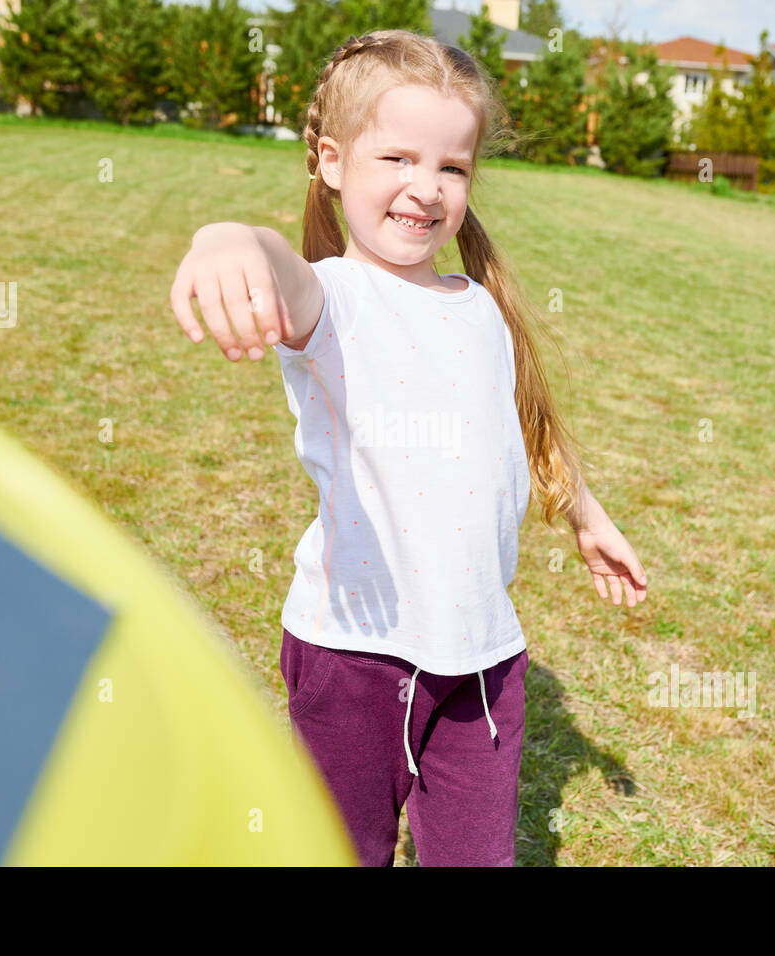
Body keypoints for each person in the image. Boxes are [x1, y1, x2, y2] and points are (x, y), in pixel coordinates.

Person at [168, 29, 647, 866]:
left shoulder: (480, 308)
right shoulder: (337, 300)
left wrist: (585, 514)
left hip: (483, 662)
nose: (424, 189)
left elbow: (519, 427)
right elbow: (283, 267)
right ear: (330, 161)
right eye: (396, 158)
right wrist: (226, 236)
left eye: (451, 168)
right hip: (351, 658)